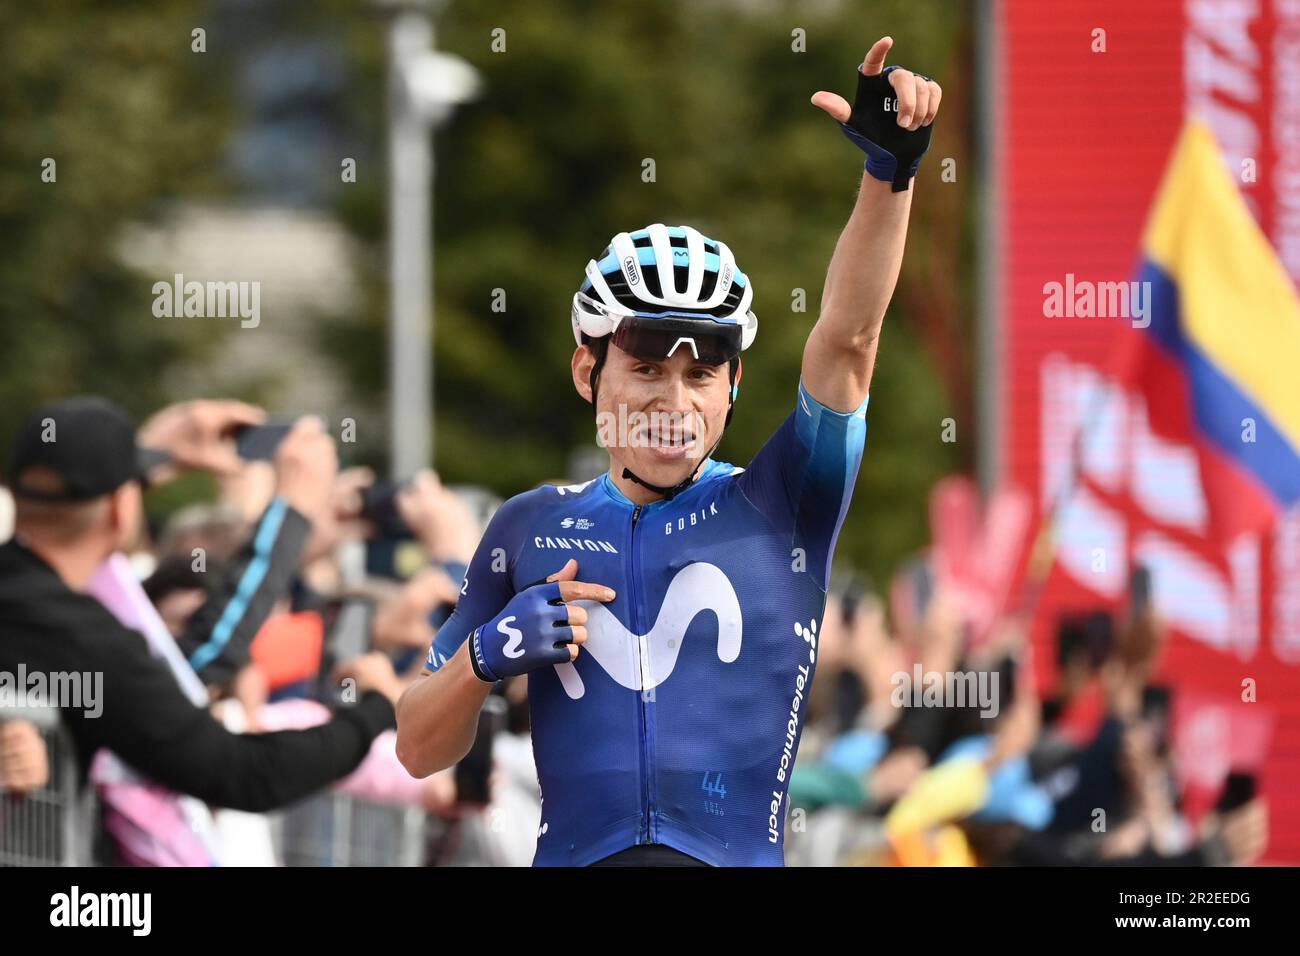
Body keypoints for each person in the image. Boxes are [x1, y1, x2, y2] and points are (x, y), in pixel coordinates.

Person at [397, 36, 942, 866]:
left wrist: (890, 176)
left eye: (700, 376)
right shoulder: (527, 526)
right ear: (588, 368)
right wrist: (482, 657)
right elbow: (415, 747)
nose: (672, 403)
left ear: (733, 387)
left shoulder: (781, 500)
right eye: (646, 369)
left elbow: (849, 342)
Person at [0, 396, 402, 813]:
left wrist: (161, 449)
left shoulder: (38, 607)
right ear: (122, 508)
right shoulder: (86, 640)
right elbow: (244, 772)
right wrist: (375, 711)